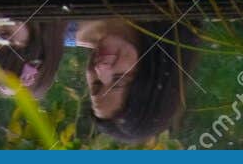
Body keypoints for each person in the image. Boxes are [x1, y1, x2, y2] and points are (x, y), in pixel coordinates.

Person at [75, 16, 196, 144]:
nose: (100, 68)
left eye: (96, 85)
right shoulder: (182, 1)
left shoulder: (57, 26)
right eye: (118, 79)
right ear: (153, 67)